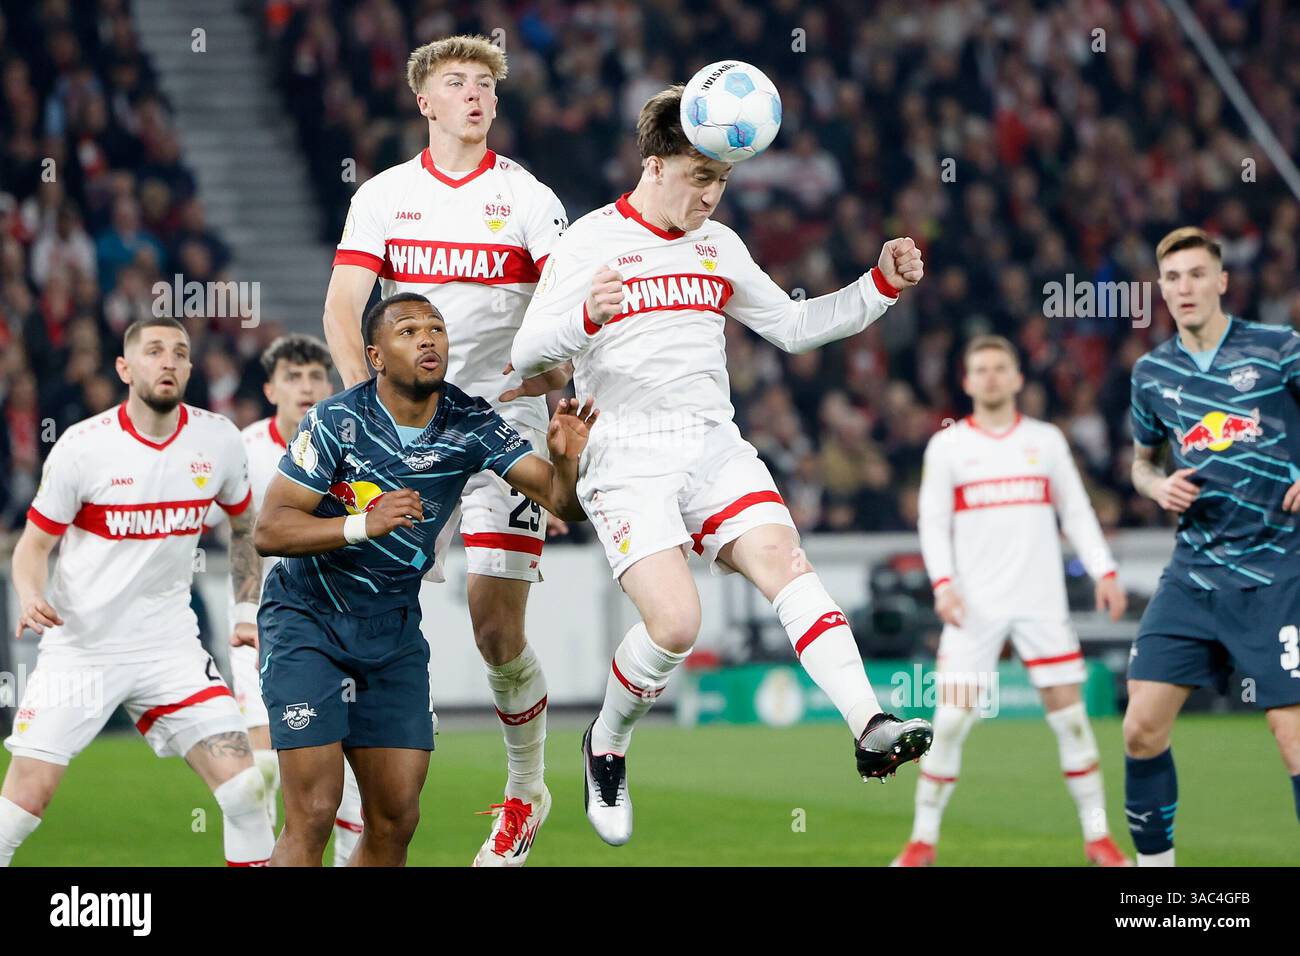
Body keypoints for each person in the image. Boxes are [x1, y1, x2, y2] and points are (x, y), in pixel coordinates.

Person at [511, 85, 932, 847]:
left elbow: (796, 328)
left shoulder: (720, 246)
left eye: (723, 181)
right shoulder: (591, 242)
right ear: (654, 164)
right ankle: (606, 743)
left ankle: (869, 722)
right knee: (675, 623)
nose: (712, 195)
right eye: (700, 177)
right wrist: (584, 318)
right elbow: (526, 352)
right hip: (625, 451)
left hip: (712, 442)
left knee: (784, 560)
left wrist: (879, 287)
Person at [321, 34, 570, 865]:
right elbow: (343, 309)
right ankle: (361, 794)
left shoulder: (530, 198)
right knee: (371, 601)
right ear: (424, 102)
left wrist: (560, 386)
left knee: (494, 629)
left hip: (501, 423)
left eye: (483, 85)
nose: (471, 94)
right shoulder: (387, 195)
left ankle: (526, 788)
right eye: (454, 83)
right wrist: (366, 425)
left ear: (495, 106)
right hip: (402, 427)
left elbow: (569, 312)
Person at [255, 292, 595, 867]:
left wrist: (565, 461)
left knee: (395, 819)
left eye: (436, 328)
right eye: (408, 330)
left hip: (391, 635)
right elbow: (271, 528)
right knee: (313, 813)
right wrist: (362, 523)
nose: (428, 339)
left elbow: (563, 503)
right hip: (307, 622)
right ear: (376, 355)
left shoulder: (470, 421)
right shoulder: (336, 420)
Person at [1, 317, 274, 867]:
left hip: (169, 647)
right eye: (153, 351)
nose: (168, 360)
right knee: (24, 803)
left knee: (247, 793)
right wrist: (30, 593)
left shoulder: (216, 439)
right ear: (126, 369)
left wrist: (247, 607)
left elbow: (247, 527)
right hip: (82, 648)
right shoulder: (83, 448)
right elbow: (31, 548)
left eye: (179, 352)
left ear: (191, 368)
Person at [894, 335, 1130, 867]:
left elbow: (1076, 512)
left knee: (1071, 722)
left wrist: (1105, 571)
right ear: (967, 381)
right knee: (950, 722)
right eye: (982, 369)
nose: (992, 377)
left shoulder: (1045, 441)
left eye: (1002, 368)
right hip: (973, 606)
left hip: (1041, 602)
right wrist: (943, 585)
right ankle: (921, 842)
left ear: (1018, 378)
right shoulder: (948, 446)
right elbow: (932, 523)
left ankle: (1098, 838)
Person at [1126, 226, 1300, 865]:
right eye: (1172, 278)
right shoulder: (1152, 374)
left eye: (1197, 274)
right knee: (1141, 728)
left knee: (1293, 740)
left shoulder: (1279, 350)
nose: (1184, 288)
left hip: (1279, 570)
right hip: (1195, 571)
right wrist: (1156, 485)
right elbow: (1141, 461)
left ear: (1222, 280)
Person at [205, 334, 336, 833]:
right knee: (261, 771)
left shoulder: (351, 440)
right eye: (293, 377)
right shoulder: (242, 448)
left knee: (344, 795)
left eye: (315, 376)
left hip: (336, 626)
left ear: (330, 384)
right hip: (258, 624)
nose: (306, 387)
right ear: (270, 389)